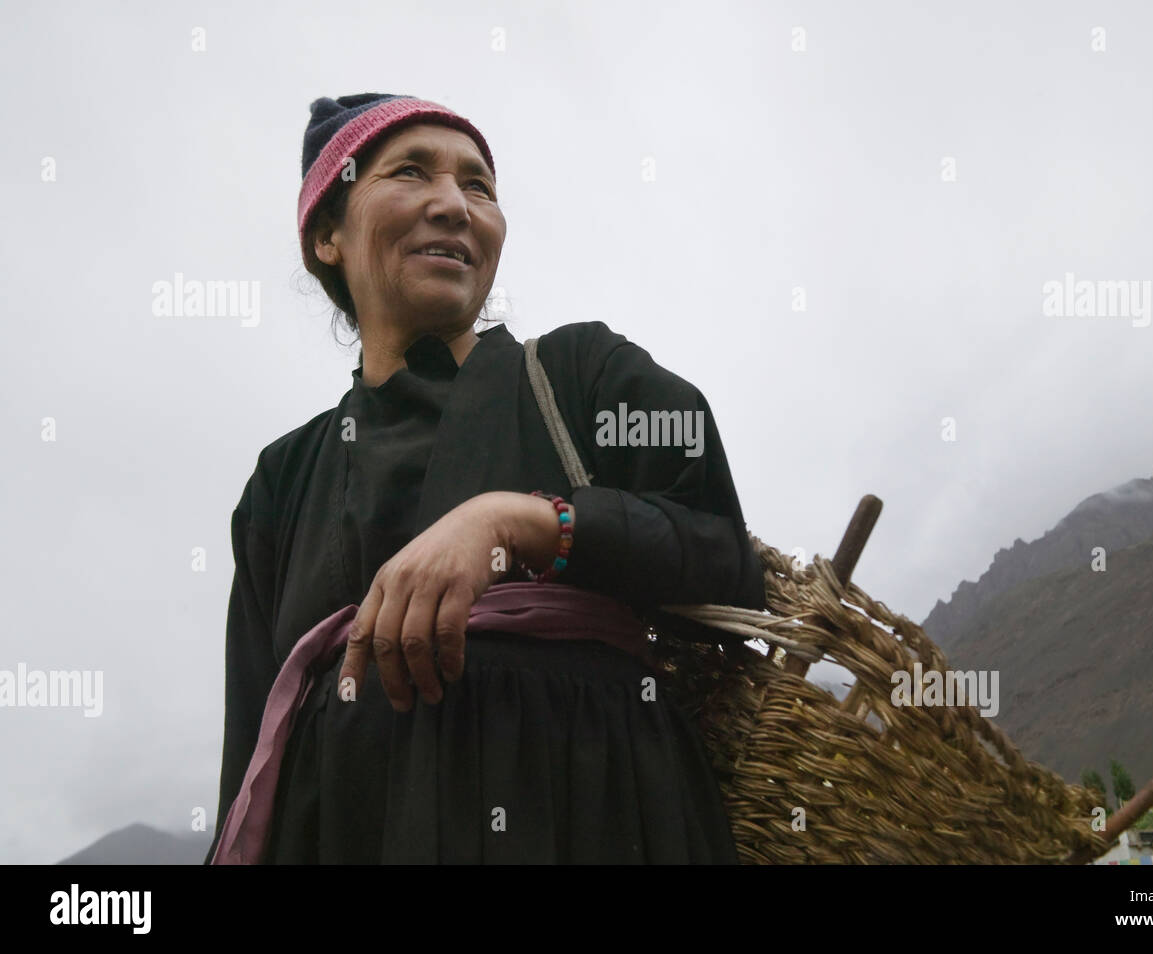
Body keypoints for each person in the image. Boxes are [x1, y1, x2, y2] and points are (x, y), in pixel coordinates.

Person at [204, 93, 767, 864]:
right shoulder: (284, 479)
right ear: (328, 235)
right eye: (409, 172)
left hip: (596, 821)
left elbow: (728, 570)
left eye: (478, 187)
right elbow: (250, 760)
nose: (453, 206)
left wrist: (517, 524)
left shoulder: (581, 376)